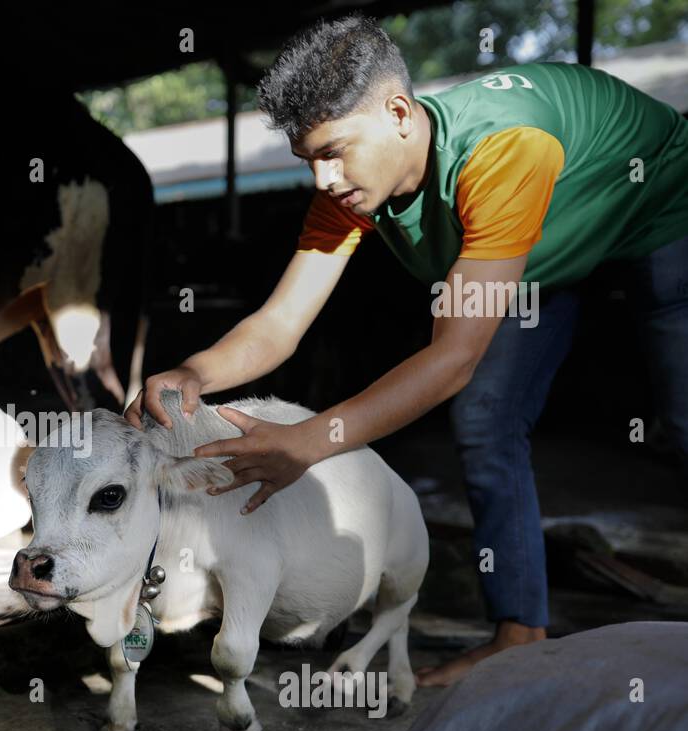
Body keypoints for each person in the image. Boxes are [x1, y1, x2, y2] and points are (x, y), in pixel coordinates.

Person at [126, 14, 688, 686]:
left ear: (398, 112)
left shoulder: (504, 151)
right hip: (536, 248)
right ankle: (519, 631)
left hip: (657, 204)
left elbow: (451, 358)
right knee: (486, 422)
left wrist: (308, 441)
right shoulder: (347, 191)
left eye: (334, 151)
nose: (322, 180)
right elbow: (280, 323)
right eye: (309, 160)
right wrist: (192, 373)